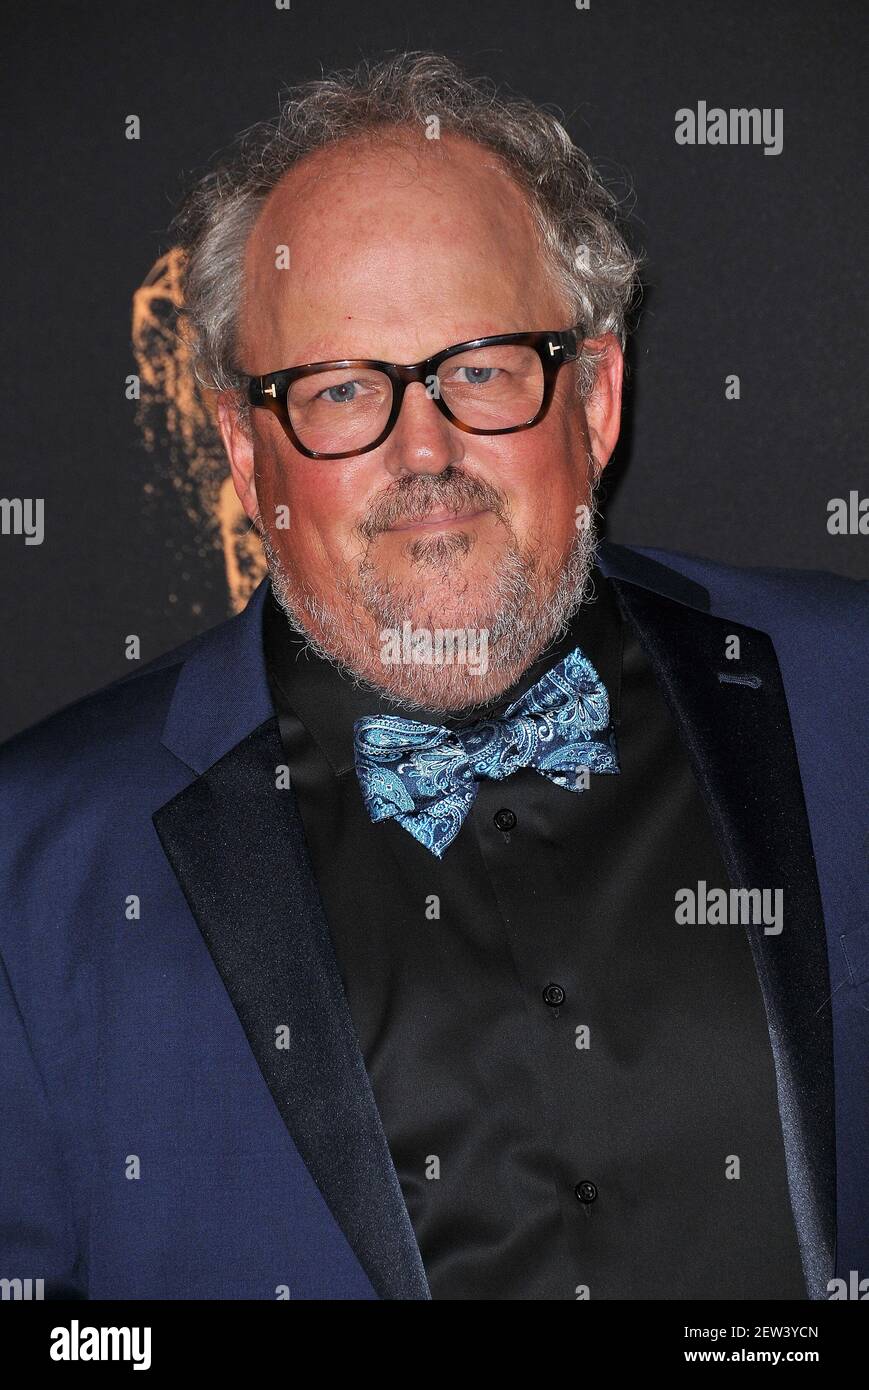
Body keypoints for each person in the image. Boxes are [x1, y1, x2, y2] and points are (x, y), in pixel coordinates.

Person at [1, 52, 866, 1302]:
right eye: (342, 389)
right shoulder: (35, 873)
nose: (427, 450)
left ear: (597, 398)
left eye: (480, 366)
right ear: (247, 455)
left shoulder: (843, 694)